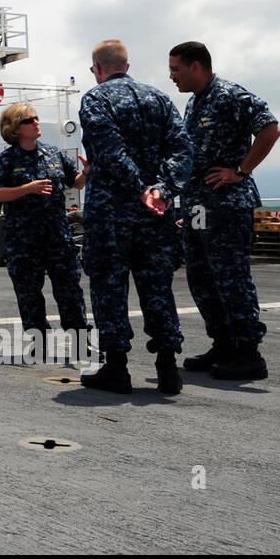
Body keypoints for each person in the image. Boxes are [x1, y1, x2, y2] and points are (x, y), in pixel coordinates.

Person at [78, 40, 193, 395]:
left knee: (109, 288)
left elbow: (110, 152)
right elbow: (183, 149)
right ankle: (167, 368)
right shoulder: (159, 98)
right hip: (156, 215)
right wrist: (162, 189)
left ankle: (116, 369)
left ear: (97, 68)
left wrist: (139, 187)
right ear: (127, 66)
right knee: (158, 287)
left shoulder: (96, 99)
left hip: (111, 213)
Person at [169, 41, 280, 380]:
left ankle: (248, 354)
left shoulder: (231, 95)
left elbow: (270, 129)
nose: (171, 76)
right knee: (202, 279)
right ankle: (223, 345)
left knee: (231, 279)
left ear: (197, 67)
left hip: (227, 206)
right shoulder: (194, 102)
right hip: (198, 206)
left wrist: (241, 171)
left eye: (176, 69)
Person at [0, 102, 90, 359]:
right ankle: (39, 344)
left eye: (36, 118)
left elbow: (75, 183)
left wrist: (87, 172)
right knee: (29, 293)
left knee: (69, 290)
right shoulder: (6, 160)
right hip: (24, 239)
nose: (36, 123)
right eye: (29, 120)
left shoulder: (53, 153)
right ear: (15, 129)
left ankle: (80, 343)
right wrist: (27, 188)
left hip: (57, 236)